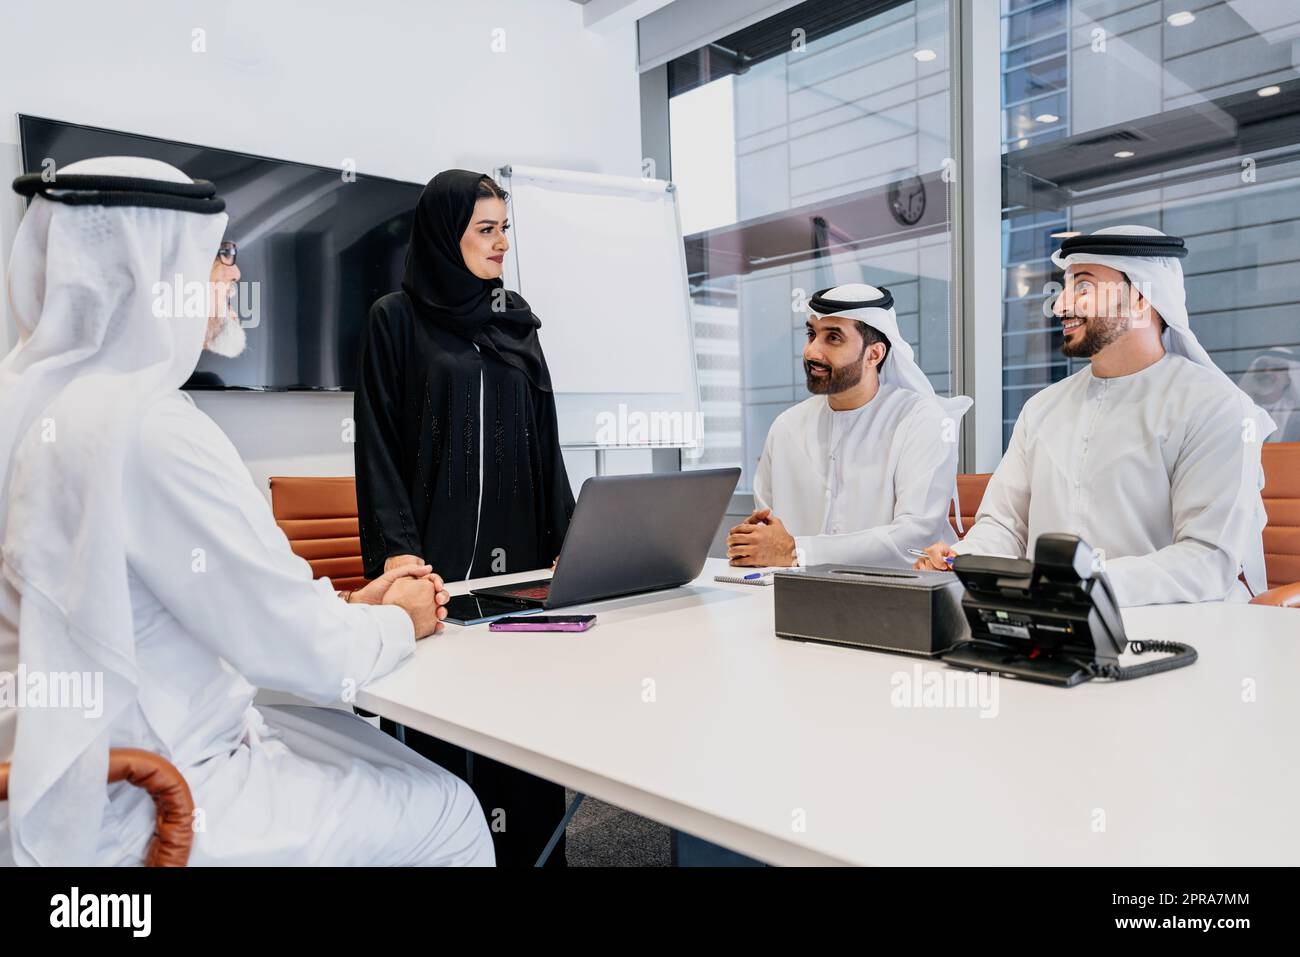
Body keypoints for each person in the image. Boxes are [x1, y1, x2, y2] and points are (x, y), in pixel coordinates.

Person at [0, 156, 492, 866]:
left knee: (370, 749)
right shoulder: (147, 428)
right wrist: (399, 618)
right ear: (154, 275)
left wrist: (351, 605)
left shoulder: (27, 404)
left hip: (55, 771)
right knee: (452, 810)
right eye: (217, 255)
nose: (233, 274)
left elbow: (209, 611)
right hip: (147, 795)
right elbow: (306, 652)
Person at [353, 169, 573, 866]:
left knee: (524, 738)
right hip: (434, 579)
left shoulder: (514, 319)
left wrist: (568, 542)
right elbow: (378, 443)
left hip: (518, 579)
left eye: (506, 227)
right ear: (447, 235)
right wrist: (397, 553)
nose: (502, 241)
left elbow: (546, 438)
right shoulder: (395, 319)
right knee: (445, 746)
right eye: (486, 228)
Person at [915, 226, 1274, 606]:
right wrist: (967, 560)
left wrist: (1078, 585)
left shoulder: (1216, 406)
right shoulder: (1042, 408)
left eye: (1082, 288)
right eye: (1063, 288)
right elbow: (1005, 525)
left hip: (1177, 631)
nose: (1059, 306)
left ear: (1140, 299)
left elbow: (1207, 560)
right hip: (1050, 622)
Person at [727, 283, 970, 568]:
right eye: (811, 334)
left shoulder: (921, 421)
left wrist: (797, 551)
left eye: (833, 338)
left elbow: (914, 538)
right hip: (794, 597)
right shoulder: (786, 427)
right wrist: (752, 542)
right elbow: (769, 528)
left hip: (896, 601)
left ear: (874, 355)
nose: (811, 351)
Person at [1240, 347, 1300, 443]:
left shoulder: (1296, 415)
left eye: (1276, 368)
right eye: (1262, 366)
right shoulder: (1240, 407)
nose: (1267, 372)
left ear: (1289, 378)